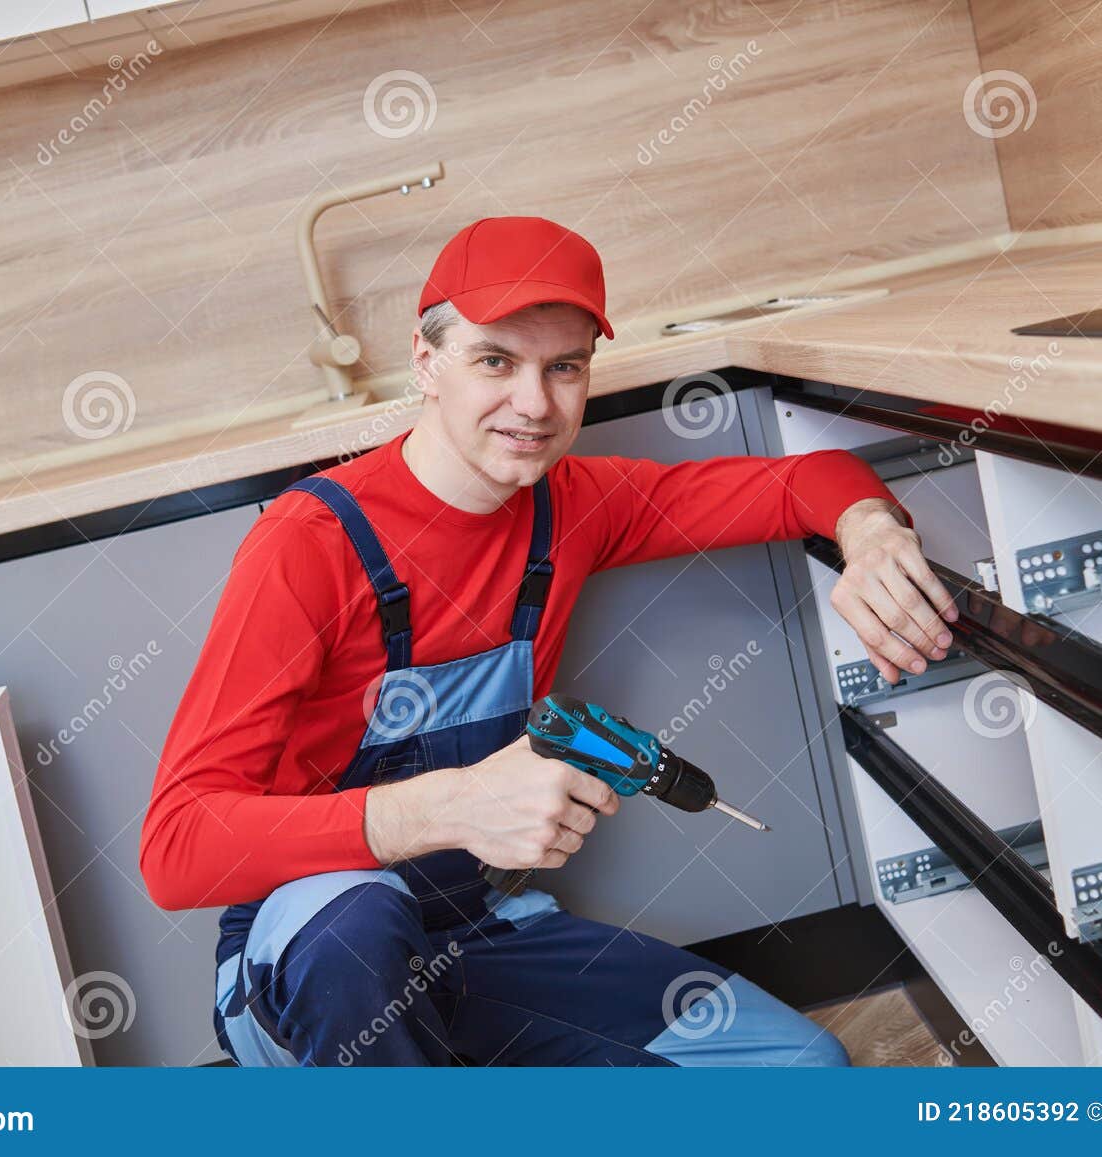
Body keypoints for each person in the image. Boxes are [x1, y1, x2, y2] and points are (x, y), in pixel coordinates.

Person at [139, 216, 957, 1066]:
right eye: (494, 360)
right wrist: (449, 805)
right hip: (311, 954)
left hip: (476, 935)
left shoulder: (574, 505)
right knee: (359, 930)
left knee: (802, 1072)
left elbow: (800, 483)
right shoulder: (309, 543)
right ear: (427, 363)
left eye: (563, 367)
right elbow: (175, 848)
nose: (534, 403)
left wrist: (871, 530)